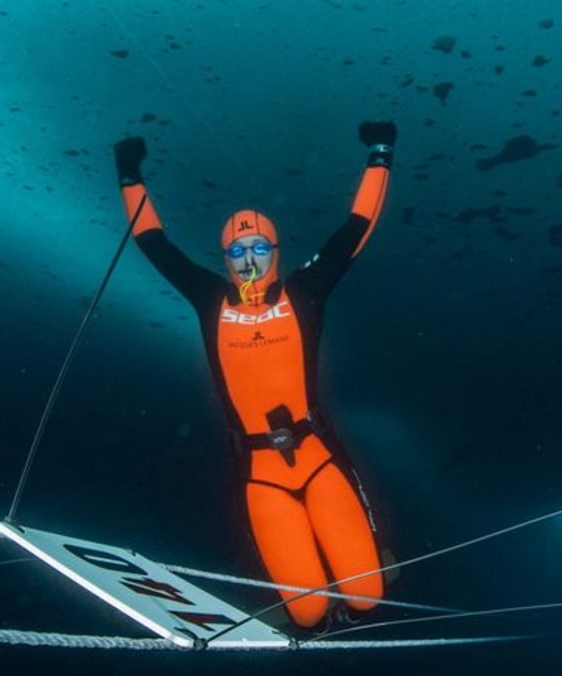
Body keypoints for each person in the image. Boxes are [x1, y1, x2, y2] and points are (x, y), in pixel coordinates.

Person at [112, 121, 397, 629]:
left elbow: (356, 228)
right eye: (238, 251)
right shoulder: (210, 299)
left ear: (275, 251)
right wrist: (129, 174)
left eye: (259, 247)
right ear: (225, 258)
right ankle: (314, 619)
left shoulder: (304, 293)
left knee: (366, 598)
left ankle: (361, 594)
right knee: (307, 613)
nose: (249, 260)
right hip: (260, 474)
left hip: (319, 458)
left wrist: (380, 153)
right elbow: (153, 242)